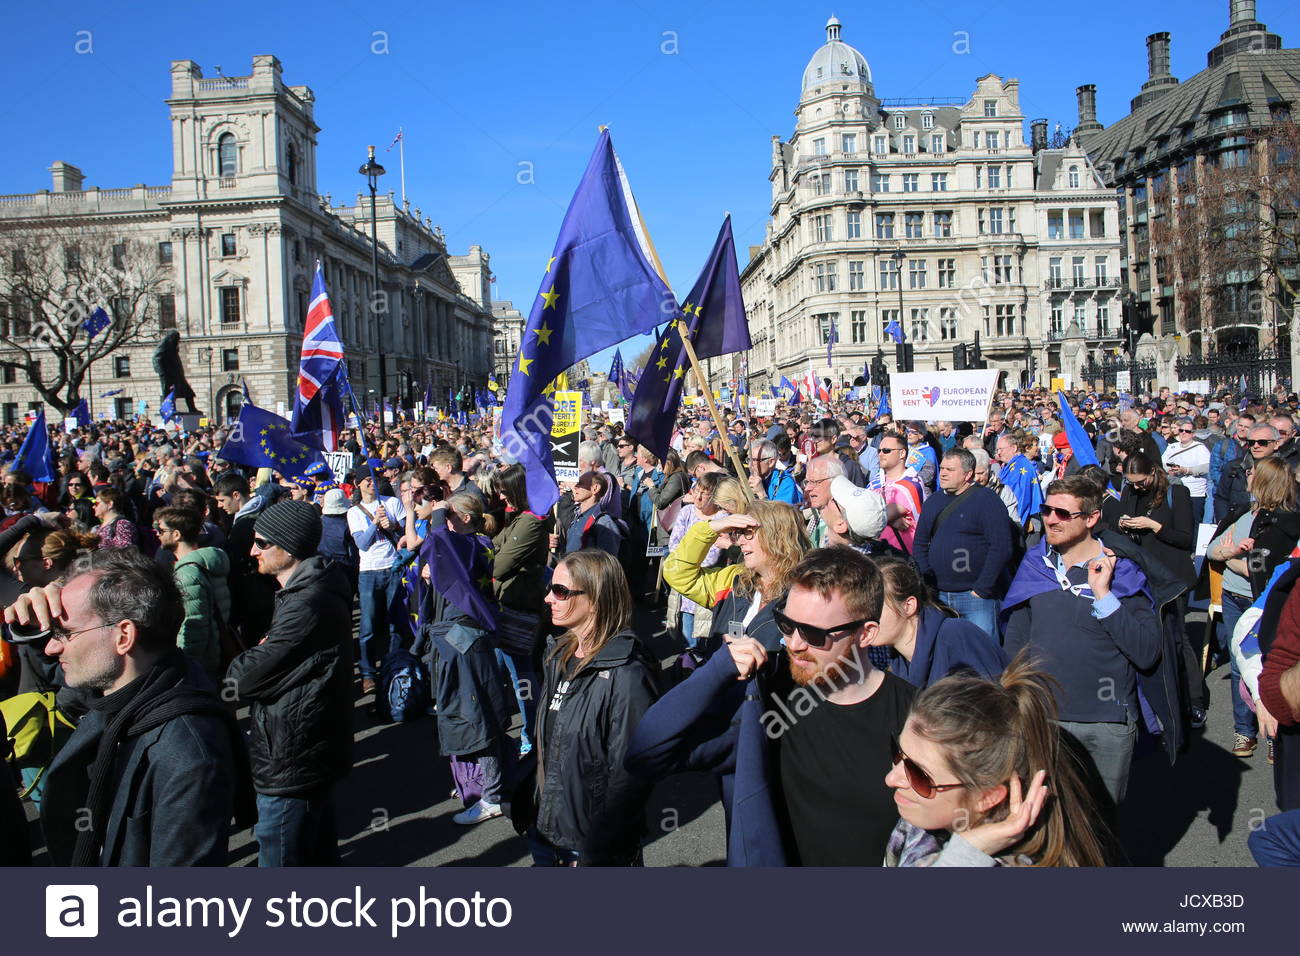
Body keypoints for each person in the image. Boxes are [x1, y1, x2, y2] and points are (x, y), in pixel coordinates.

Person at [628, 547, 916, 866]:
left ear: (865, 634)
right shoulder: (765, 696)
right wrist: (716, 671)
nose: (793, 644)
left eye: (814, 633)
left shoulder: (916, 717)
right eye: (786, 624)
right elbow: (645, 754)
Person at [9, 548, 245, 865]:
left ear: (123, 636)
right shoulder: (117, 694)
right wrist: (29, 604)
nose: (51, 646)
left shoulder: (186, 752)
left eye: (64, 632)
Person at [1002, 475, 1161, 805]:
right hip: (1042, 717)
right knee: (1041, 823)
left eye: (1063, 514)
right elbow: (1016, 642)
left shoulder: (1123, 572)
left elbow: (1146, 652)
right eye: (1047, 510)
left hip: (1104, 721)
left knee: (1098, 827)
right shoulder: (1036, 565)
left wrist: (1103, 595)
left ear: (1091, 519)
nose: (1050, 519)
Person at [884, 658, 1109, 866]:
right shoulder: (918, 828)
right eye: (898, 753)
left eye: (919, 775)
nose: (891, 779)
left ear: (988, 797)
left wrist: (965, 853)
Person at [226, 500, 354, 866]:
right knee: (316, 857)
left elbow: (243, 677)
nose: (253, 551)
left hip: (293, 754)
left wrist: (254, 654)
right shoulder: (307, 590)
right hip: (303, 749)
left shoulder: (306, 603)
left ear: (289, 546)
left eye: (262, 543)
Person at [524, 549, 659, 865]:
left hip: (593, 847)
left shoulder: (628, 673)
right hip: (547, 834)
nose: (548, 598)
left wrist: (599, 850)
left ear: (596, 600)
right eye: (550, 588)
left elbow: (630, 779)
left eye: (560, 591)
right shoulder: (559, 656)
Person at [1204, 456, 1300, 758]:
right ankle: (1244, 732)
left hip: (1261, 602)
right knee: (1238, 665)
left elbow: (1256, 568)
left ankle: (1275, 734)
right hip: (1232, 598)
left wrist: (1228, 557)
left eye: (1252, 473)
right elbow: (1211, 549)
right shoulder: (1245, 511)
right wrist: (1228, 551)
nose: (1247, 476)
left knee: (1267, 665)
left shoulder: (1286, 521)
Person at [663, 498, 809, 655]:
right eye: (739, 533)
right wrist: (711, 527)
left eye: (748, 533)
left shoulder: (806, 597)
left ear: (777, 538)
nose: (739, 541)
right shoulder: (733, 579)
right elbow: (677, 573)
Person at [912, 448, 1014, 641]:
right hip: (938, 596)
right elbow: (920, 544)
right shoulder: (933, 500)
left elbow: (1001, 547)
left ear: (968, 474)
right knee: (945, 653)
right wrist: (928, 580)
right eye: (942, 468)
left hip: (975, 598)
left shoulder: (987, 500)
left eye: (950, 469)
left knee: (982, 654)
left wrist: (982, 588)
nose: (942, 473)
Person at [871, 555, 1006, 687]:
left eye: (874, 607)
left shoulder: (956, 634)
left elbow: (1003, 698)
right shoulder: (897, 666)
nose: (864, 618)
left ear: (908, 606)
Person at [491, 462, 552, 756]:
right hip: (506, 607)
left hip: (519, 609)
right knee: (500, 674)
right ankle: (506, 728)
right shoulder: (519, 518)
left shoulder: (531, 522)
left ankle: (532, 734)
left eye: (505, 492)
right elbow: (492, 547)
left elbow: (499, 564)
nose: (502, 498)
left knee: (523, 680)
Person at [153, 505, 231, 685]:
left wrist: (184, 663)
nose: (157, 533)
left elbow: (194, 625)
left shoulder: (188, 574)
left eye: (161, 529)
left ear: (176, 535)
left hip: (203, 662)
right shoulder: (208, 561)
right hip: (217, 650)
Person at [665, 472, 745, 648]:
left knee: (706, 640)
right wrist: (689, 557)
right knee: (687, 638)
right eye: (696, 491)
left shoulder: (722, 518)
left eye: (705, 493)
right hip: (686, 589)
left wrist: (689, 557)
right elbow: (674, 545)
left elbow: (713, 556)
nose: (698, 497)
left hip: (710, 585)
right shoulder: (686, 512)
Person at [347, 468, 408, 695]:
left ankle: (393, 665)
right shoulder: (353, 512)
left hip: (393, 567)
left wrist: (393, 526)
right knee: (368, 626)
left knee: (396, 622)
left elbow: (406, 533)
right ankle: (367, 673)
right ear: (358, 484)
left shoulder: (392, 503)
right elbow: (362, 543)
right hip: (369, 572)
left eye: (374, 480)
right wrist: (374, 522)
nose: (372, 484)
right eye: (366, 481)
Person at [870, 432, 924, 555]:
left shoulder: (911, 484)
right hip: (876, 553)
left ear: (902, 453)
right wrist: (893, 521)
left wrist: (885, 518)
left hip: (901, 557)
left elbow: (872, 518)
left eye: (886, 450)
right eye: (879, 450)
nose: (880, 454)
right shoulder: (875, 482)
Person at [1216, 423, 1281, 521]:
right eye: (1251, 442)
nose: (1256, 446)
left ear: (1276, 444)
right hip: (1235, 526)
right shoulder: (1234, 466)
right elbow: (1221, 498)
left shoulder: (1285, 471)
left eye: (1262, 442)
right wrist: (1224, 521)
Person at [1162, 417, 1211, 518]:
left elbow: (1207, 467)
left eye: (1187, 431)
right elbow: (1162, 463)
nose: (1183, 433)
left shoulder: (1200, 447)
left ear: (1193, 434)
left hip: (1194, 492)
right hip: (1175, 489)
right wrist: (1170, 470)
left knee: (1194, 521)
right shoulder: (1172, 447)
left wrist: (1186, 470)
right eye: (1181, 430)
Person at [747, 438, 800, 504]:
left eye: (754, 460)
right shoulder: (751, 479)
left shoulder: (785, 483)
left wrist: (762, 494)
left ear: (771, 462)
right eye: (748, 460)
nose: (749, 465)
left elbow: (782, 513)